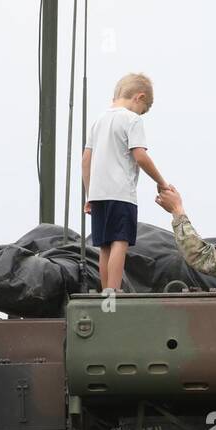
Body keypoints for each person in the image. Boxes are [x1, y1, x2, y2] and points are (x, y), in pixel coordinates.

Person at [82, 72, 171, 291]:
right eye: (144, 109)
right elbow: (139, 156)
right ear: (139, 97)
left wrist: (89, 195)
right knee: (120, 241)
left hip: (98, 193)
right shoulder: (132, 120)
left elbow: (86, 160)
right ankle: (114, 291)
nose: (141, 113)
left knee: (104, 245)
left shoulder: (99, 120)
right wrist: (161, 182)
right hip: (121, 193)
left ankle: (105, 290)